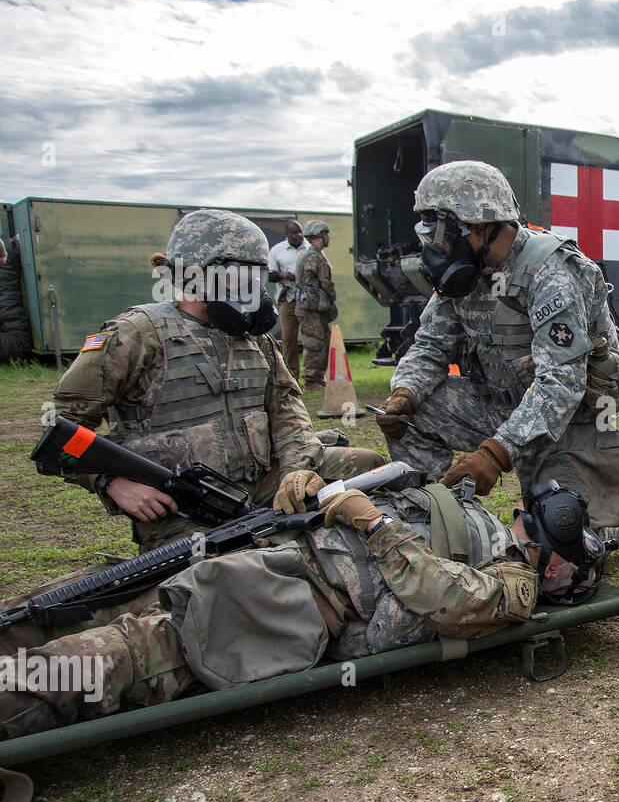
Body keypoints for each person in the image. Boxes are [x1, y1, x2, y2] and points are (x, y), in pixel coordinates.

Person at [0, 478, 607, 739]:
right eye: (524, 516)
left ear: (552, 568)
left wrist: (373, 523)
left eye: (531, 529)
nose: (517, 526)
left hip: (286, 607)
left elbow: (445, 598)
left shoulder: (513, 587)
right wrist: (317, 478)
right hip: (269, 555)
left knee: (114, 657)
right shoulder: (466, 511)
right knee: (69, 604)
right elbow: (380, 479)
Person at [48, 208, 385, 551]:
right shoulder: (136, 335)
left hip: (264, 483)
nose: (250, 289)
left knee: (370, 467)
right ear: (194, 276)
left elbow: (287, 410)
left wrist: (297, 472)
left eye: (255, 277)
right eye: (238, 276)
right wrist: (109, 481)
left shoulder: (255, 339)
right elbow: (60, 432)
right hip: (186, 507)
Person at [374, 160, 619, 543]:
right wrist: (405, 391)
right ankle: (435, 516)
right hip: (498, 408)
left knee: (565, 540)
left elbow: (561, 384)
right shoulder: (466, 272)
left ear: (475, 226)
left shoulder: (551, 271)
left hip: (568, 423)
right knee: (417, 411)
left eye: (440, 234)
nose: (435, 248)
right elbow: (430, 346)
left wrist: (496, 453)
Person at [294, 219, 336, 390]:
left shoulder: (310, 254)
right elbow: (324, 282)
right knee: (314, 343)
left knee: (323, 340)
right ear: (320, 235)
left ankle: (318, 378)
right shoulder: (314, 256)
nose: (328, 238)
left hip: (314, 307)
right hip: (310, 308)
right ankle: (311, 381)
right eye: (326, 235)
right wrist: (332, 297)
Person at [268, 219, 306, 380]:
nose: (299, 235)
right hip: (288, 299)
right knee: (289, 338)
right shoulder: (277, 250)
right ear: (287, 234)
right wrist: (283, 275)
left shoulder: (309, 249)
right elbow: (270, 274)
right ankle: (291, 376)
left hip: (307, 300)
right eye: (295, 232)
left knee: (312, 338)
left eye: (300, 231)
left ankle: (314, 376)